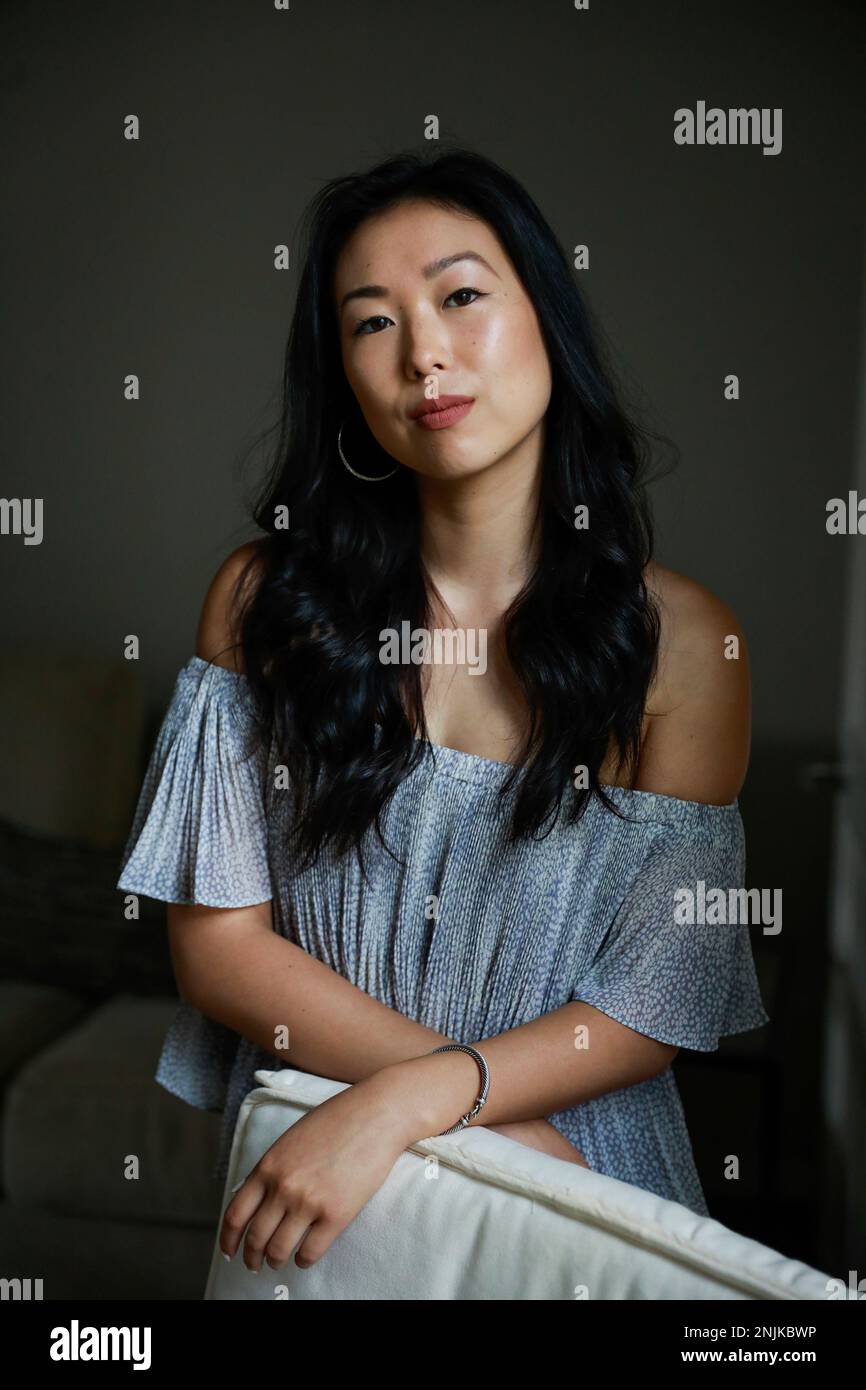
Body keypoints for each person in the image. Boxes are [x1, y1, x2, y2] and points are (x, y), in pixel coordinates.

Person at [116, 146, 769, 1279]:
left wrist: (419, 1103)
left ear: (546, 318)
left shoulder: (686, 644)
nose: (422, 353)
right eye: (372, 323)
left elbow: (652, 1003)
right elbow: (220, 949)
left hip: (570, 1174)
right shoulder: (264, 604)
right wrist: (435, 1110)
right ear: (342, 374)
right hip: (328, 1179)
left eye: (460, 296)